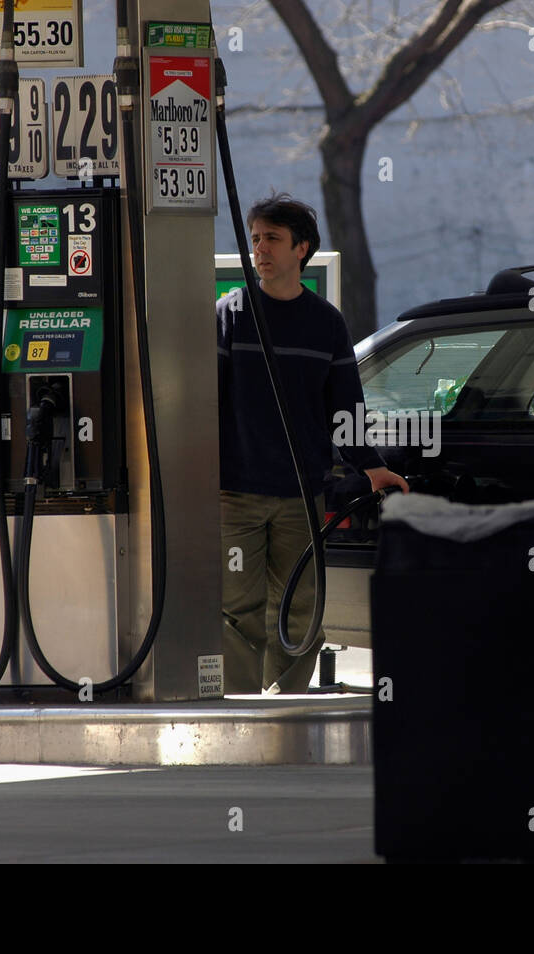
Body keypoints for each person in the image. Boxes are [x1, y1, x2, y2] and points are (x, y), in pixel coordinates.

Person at [217, 193, 408, 693]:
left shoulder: (327, 323)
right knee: (237, 609)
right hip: (234, 492)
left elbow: (344, 407)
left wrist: (371, 466)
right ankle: (238, 715)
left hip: (302, 493)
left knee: (300, 608)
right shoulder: (229, 315)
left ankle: (287, 709)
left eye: (272, 239)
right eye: (256, 238)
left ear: (301, 248)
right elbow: (204, 402)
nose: (260, 249)